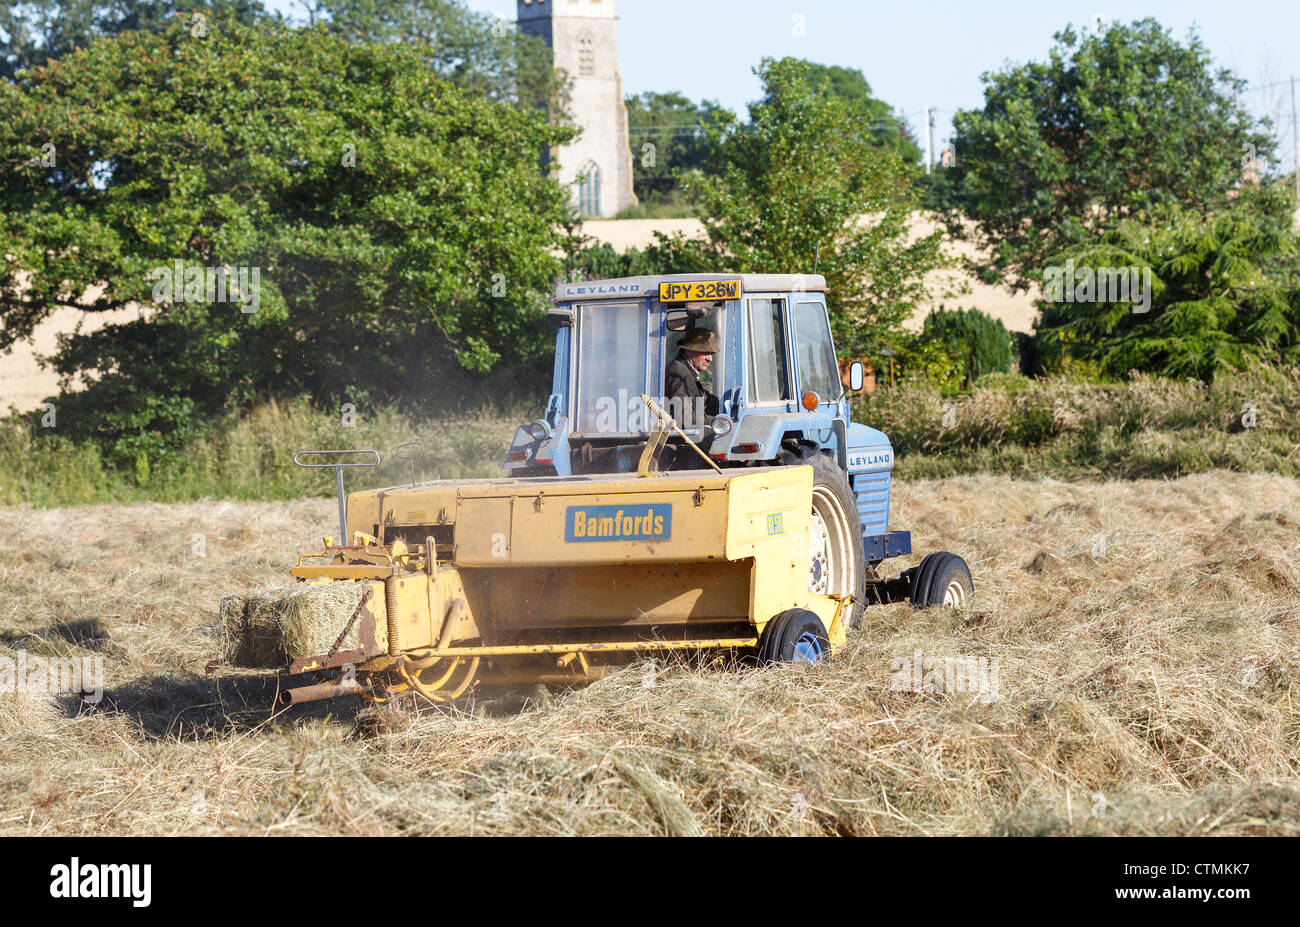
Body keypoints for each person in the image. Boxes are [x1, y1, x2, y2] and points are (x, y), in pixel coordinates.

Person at [664, 328, 720, 429]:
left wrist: (712, 401)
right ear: (689, 350)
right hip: (680, 439)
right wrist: (717, 421)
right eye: (705, 352)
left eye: (711, 354)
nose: (710, 359)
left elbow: (697, 395)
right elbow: (684, 418)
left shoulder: (685, 370)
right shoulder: (680, 375)